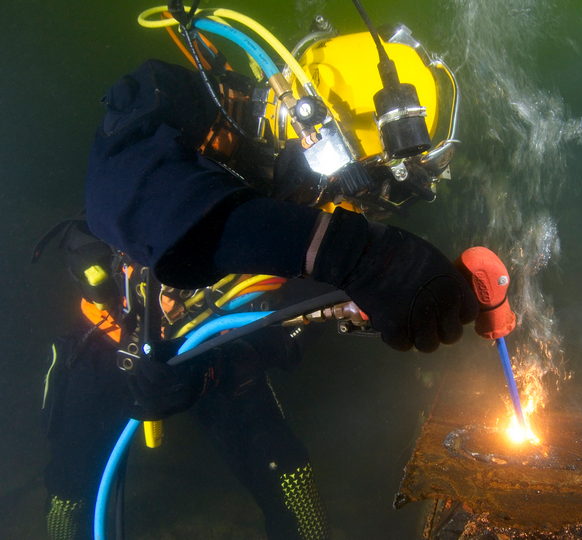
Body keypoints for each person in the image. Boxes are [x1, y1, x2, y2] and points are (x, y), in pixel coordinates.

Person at [40, 48, 477, 540]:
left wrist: (204, 374)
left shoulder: (325, 206)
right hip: (106, 343)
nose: (353, 199)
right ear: (317, 132)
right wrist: (350, 252)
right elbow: (132, 198)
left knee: (292, 482)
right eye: (359, 177)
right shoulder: (177, 97)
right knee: (70, 485)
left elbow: (289, 332)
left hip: (220, 357)